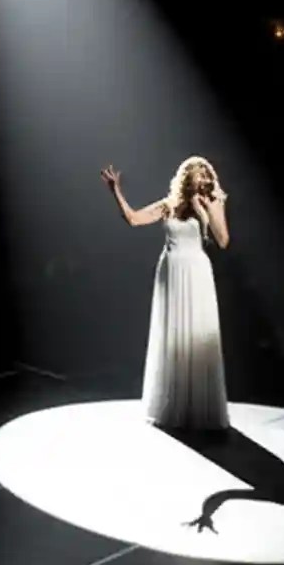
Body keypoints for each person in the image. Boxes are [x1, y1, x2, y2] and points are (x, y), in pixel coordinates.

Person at [101, 156, 231, 430]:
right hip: (171, 272)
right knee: (173, 336)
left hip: (197, 273)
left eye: (208, 175)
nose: (205, 179)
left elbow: (222, 240)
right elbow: (134, 219)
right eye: (200, 174)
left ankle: (199, 409)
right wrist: (116, 192)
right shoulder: (168, 206)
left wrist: (208, 209)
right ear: (188, 177)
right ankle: (173, 406)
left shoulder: (211, 203)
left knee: (197, 336)